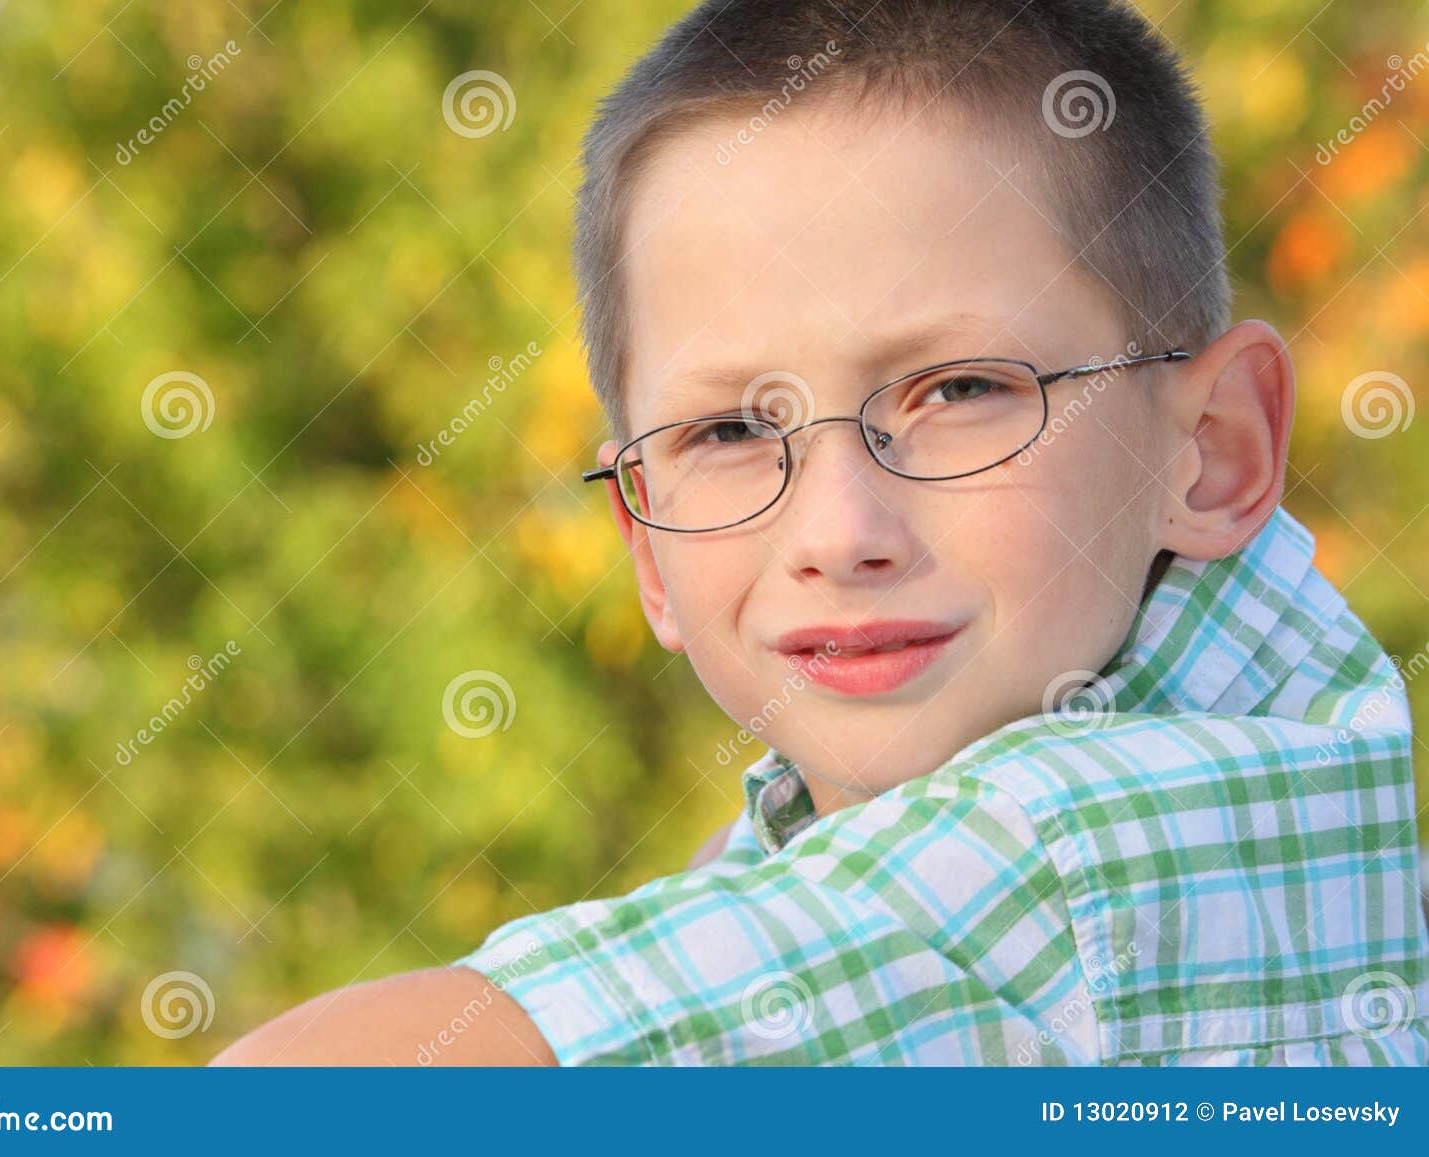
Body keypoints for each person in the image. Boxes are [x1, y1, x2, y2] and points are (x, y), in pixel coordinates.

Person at [212, 0, 1429, 1065]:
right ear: (647, 549)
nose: (839, 531)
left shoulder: (1112, 851)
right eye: (731, 430)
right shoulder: (835, 858)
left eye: (960, 391)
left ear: (1211, 449)